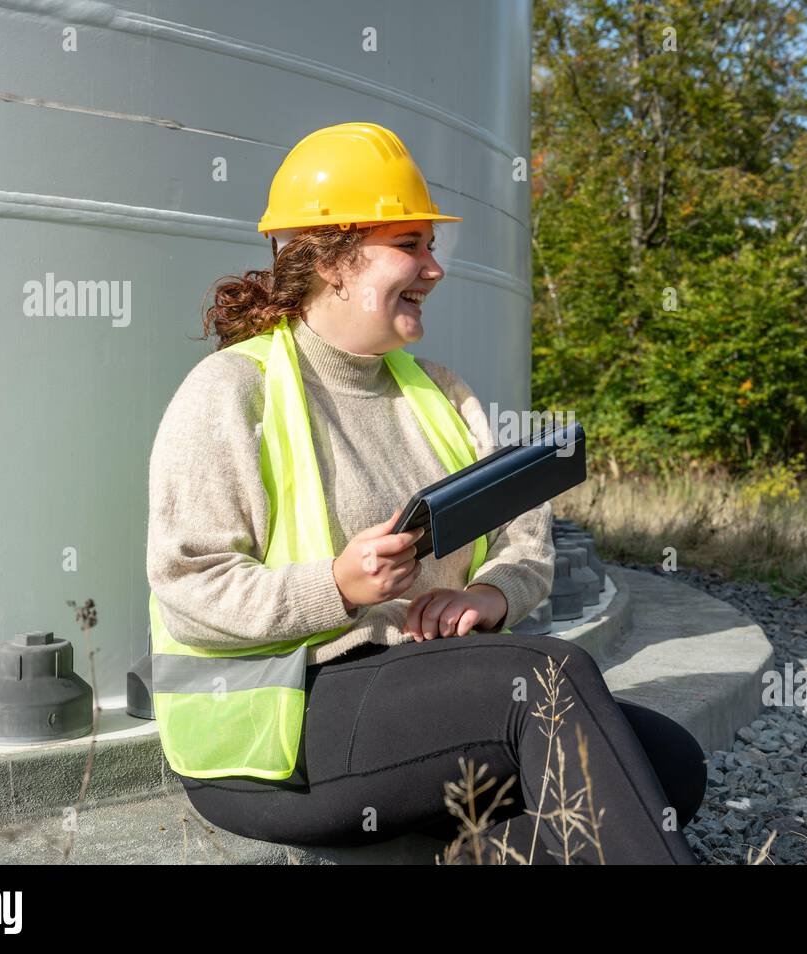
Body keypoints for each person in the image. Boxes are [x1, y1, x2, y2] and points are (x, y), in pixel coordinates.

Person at [145, 122, 705, 864]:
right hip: (280, 727)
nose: (434, 268)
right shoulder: (233, 390)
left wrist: (494, 596)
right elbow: (189, 586)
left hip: (415, 693)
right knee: (550, 677)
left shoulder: (440, 392)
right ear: (333, 262)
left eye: (430, 246)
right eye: (410, 244)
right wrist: (336, 587)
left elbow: (524, 536)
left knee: (669, 764)